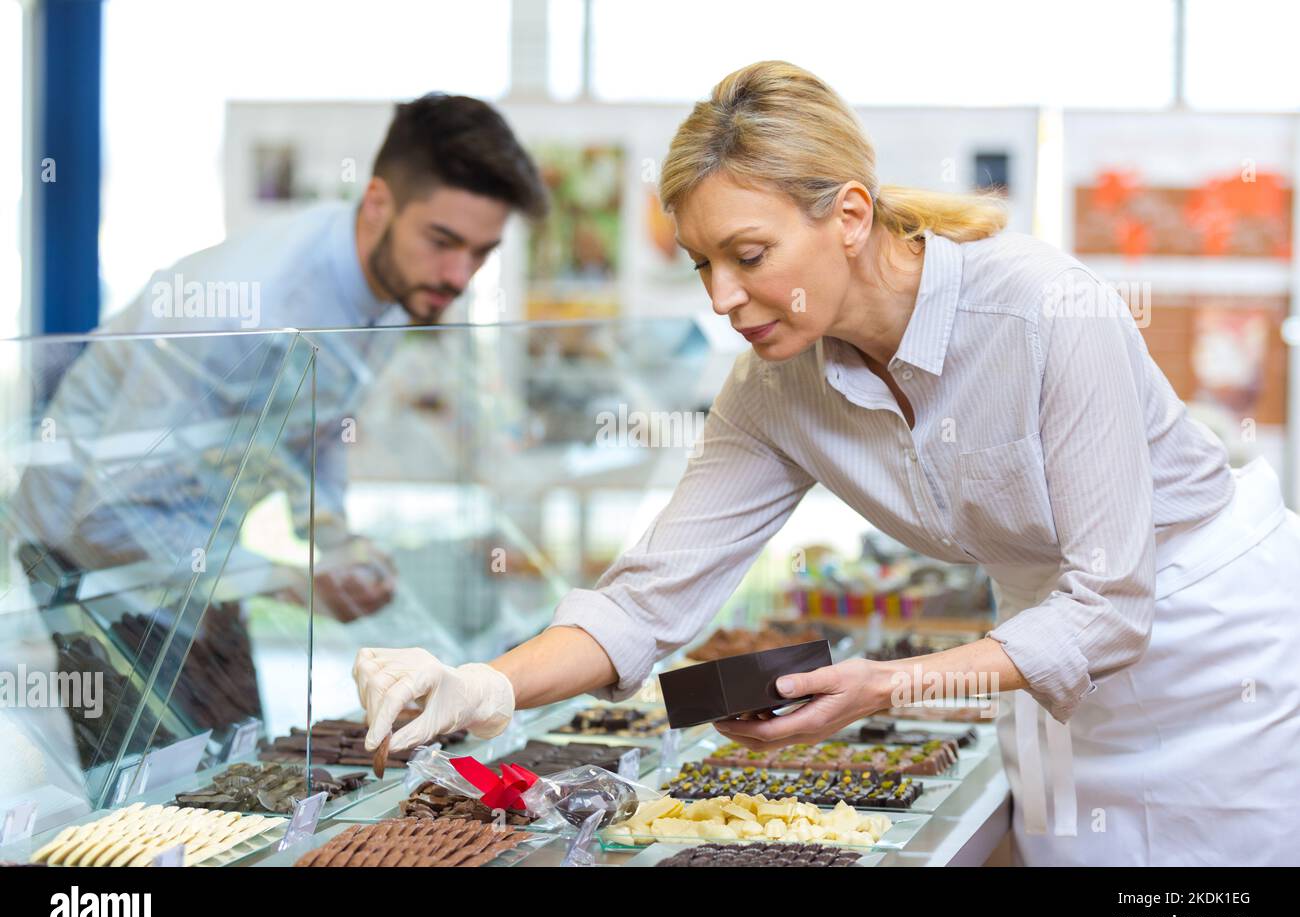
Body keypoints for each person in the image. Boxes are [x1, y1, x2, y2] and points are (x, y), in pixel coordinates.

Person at [353, 62, 1300, 866]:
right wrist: (484, 685)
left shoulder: (1048, 311)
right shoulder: (774, 385)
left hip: (1213, 644)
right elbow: (648, 600)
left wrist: (886, 685)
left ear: (850, 214)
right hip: (1040, 658)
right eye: (700, 264)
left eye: (749, 254)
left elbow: (1109, 606)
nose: (724, 296)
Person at [13, 93, 548, 623]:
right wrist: (295, 585)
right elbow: (111, 518)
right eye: (443, 241)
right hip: (74, 570)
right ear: (379, 203)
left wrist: (336, 540)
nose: (459, 276)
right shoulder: (243, 313)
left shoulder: (398, 288)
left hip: (196, 552)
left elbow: (320, 427)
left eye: (481, 252)